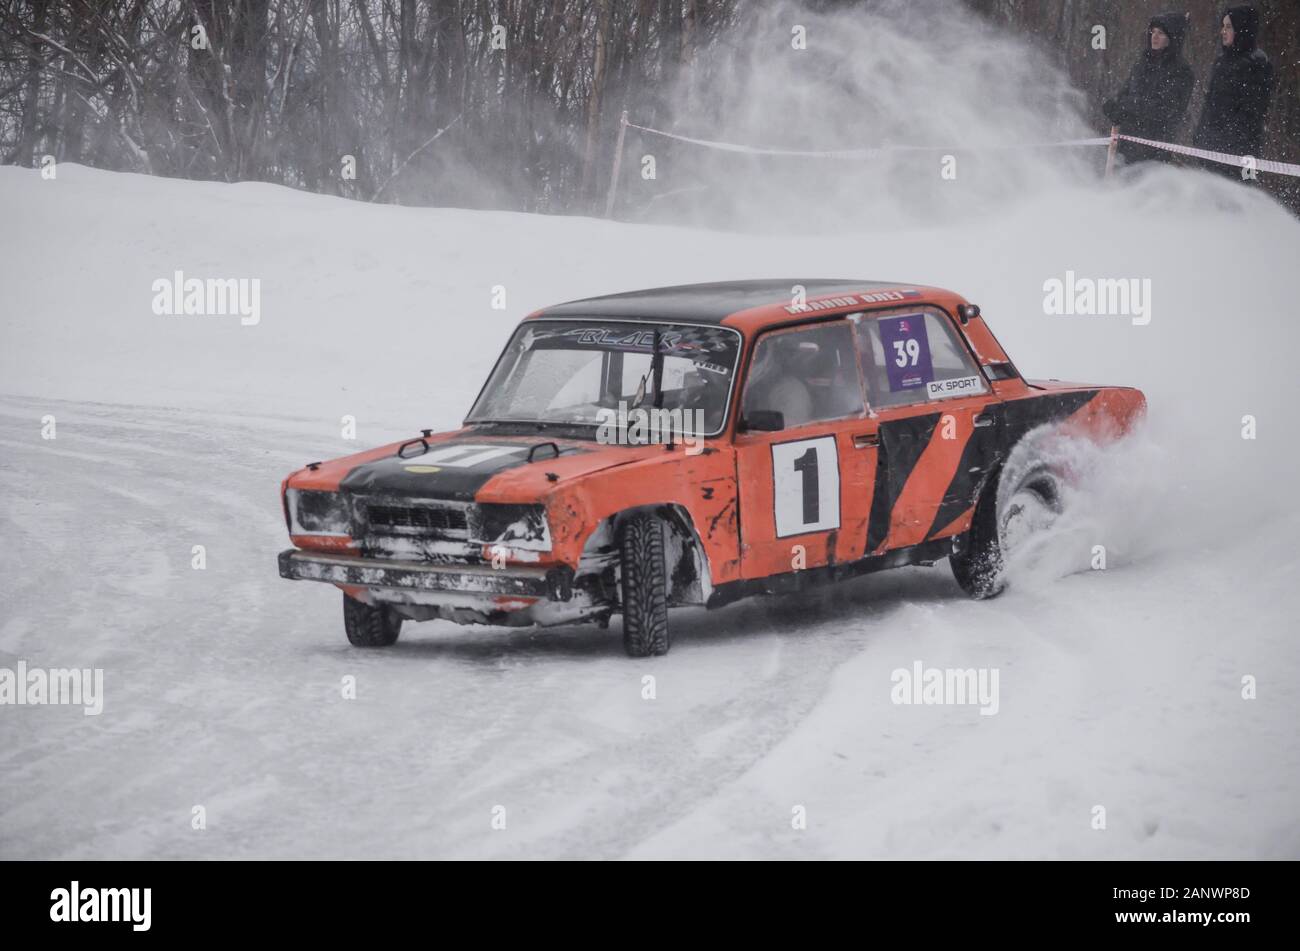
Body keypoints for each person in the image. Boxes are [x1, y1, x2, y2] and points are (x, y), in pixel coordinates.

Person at [1102, 12, 1195, 166]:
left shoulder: (1181, 71)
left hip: (1154, 150)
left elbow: (1166, 111)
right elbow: (1125, 95)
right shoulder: (1141, 65)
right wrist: (1115, 109)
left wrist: (1128, 107)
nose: (1155, 36)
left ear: (1172, 38)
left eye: (1161, 33)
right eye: (1153, 32)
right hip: (1125, 145)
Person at [1192, 6, 1275, 174]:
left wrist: (1227, 141)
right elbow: (1210, 105)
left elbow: (1252, 114)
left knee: (1241, 195)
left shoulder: (1258, 64)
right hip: (1212, 149)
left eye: (1228, 27)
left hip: (1243, 154)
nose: (1223, 31)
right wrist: (1200, 135)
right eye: (1222, 26)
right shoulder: (1221, 62)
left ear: (1242, 29)